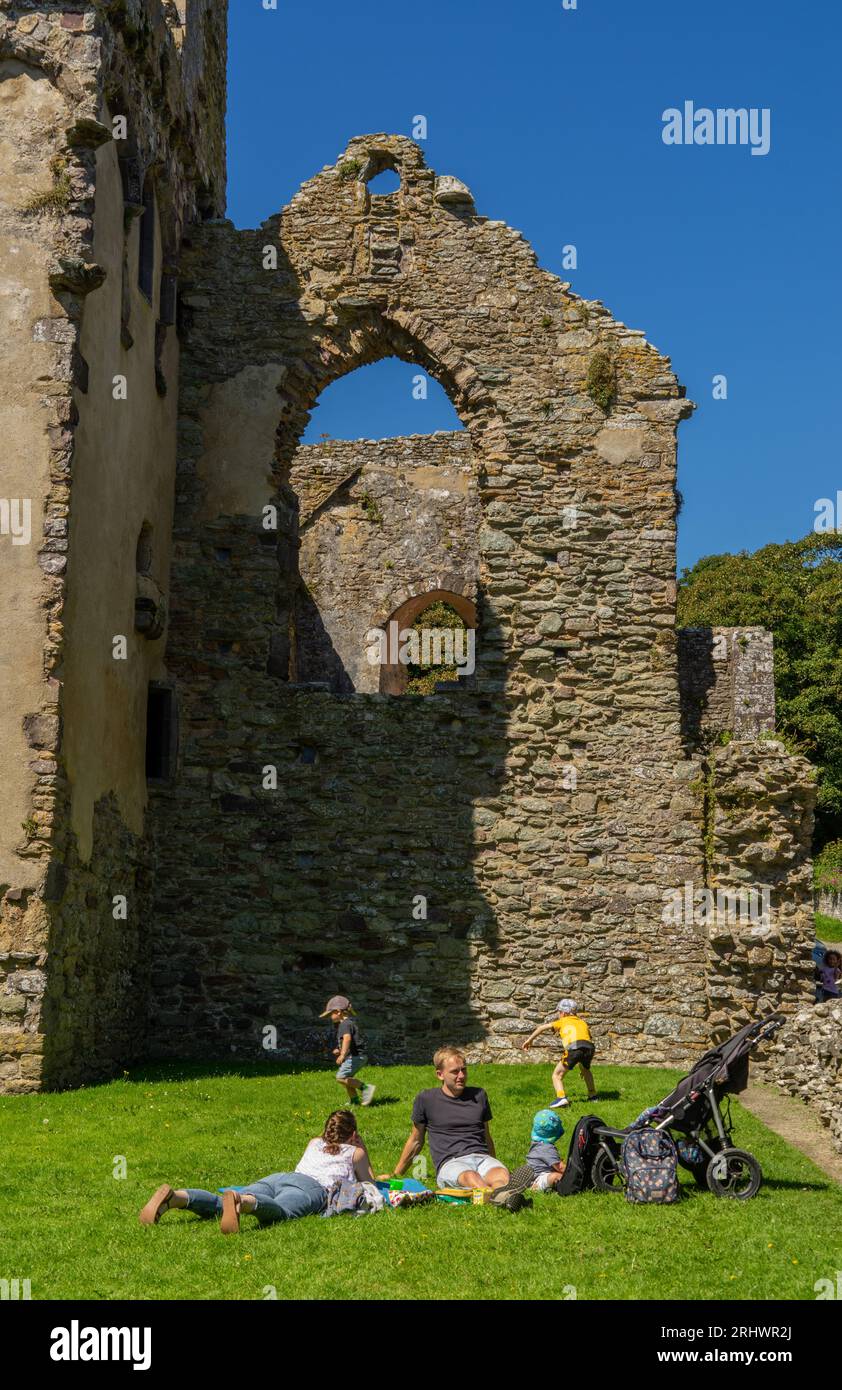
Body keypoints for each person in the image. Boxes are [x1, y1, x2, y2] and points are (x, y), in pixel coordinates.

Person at [138, 1110, 379, 1234]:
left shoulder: (314, 1142)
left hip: (280, 1178)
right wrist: (361, 1145)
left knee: (221, 1205)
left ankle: (177, 1197)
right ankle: (243, 1202)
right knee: (282, 1211)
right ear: (353, 1133)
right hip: (311, 1189)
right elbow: (370, 1183)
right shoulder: (353, 1152)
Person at [391, 1045, 534, 1211]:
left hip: (481, 1157)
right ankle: (503, 1196)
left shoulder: (479, 1095)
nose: (461, 1076)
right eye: (455, 1072)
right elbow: (416, 1140)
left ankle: (503, 1194)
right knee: (471, 1177)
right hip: (451, 1162)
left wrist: (494, 1162)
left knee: (500, 1175)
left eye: (464, 1070)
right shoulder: (426, 1099)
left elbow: (486, 1135)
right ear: (440, 1074)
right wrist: (397, 1174)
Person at [521, 997, 597, 1109]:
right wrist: (584, 1062)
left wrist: (529, 1040)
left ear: (564, 1013)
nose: (558, 1014)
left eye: (559, 1012)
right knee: (586, 1071)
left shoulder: (562, 1021)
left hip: (574, 1048)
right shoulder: (582, 1022)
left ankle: (561, 1098)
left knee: (557, 1075)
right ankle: (593, 1096)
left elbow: (542, 1028)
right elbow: (586, 1039)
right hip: (589, 1047)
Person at [320, 993, 375, 1107]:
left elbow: (347, 1039)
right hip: (357, 1055)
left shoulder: (345, 1024)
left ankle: (366, 1088)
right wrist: (339, 1050)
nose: (330, 1016)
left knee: (340, 1077)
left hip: (355, 1056)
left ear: (338, 1012)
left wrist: (342, 1055)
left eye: (331, 1013)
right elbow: (349, 1042)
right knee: (346, 1078)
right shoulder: (347, 1023)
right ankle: (354, 1101)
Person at [523, 1108, 567, 1192]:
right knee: (557, 1176)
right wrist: (574, 1171)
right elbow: (560, 1167)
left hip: (532, 1175)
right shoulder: (547, 1148)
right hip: (539, 1178)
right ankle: (535, 1187)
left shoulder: (536, 1143)